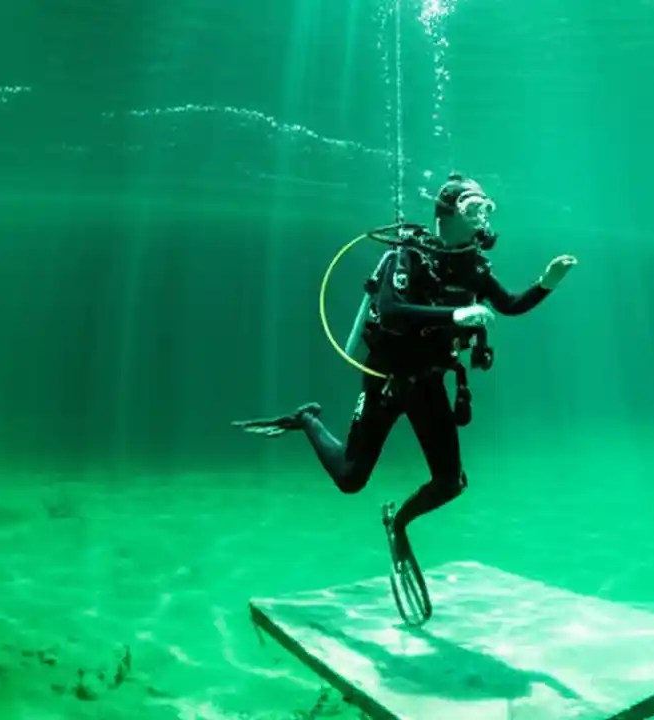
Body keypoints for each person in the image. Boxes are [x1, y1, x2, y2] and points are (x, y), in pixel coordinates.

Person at [233, 172, 576, 576]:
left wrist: (546, 284)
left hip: (428, 382)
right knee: (350, 478)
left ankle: (399, 524)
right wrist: (456, 313)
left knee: (449, 482)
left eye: (486, 208)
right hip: (386, 381)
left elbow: (511, 305)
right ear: (447, 213)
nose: (482, 218)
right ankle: (308, 419)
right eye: (472, 208)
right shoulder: (407, 257)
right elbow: (393, 311)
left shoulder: (474, 268)